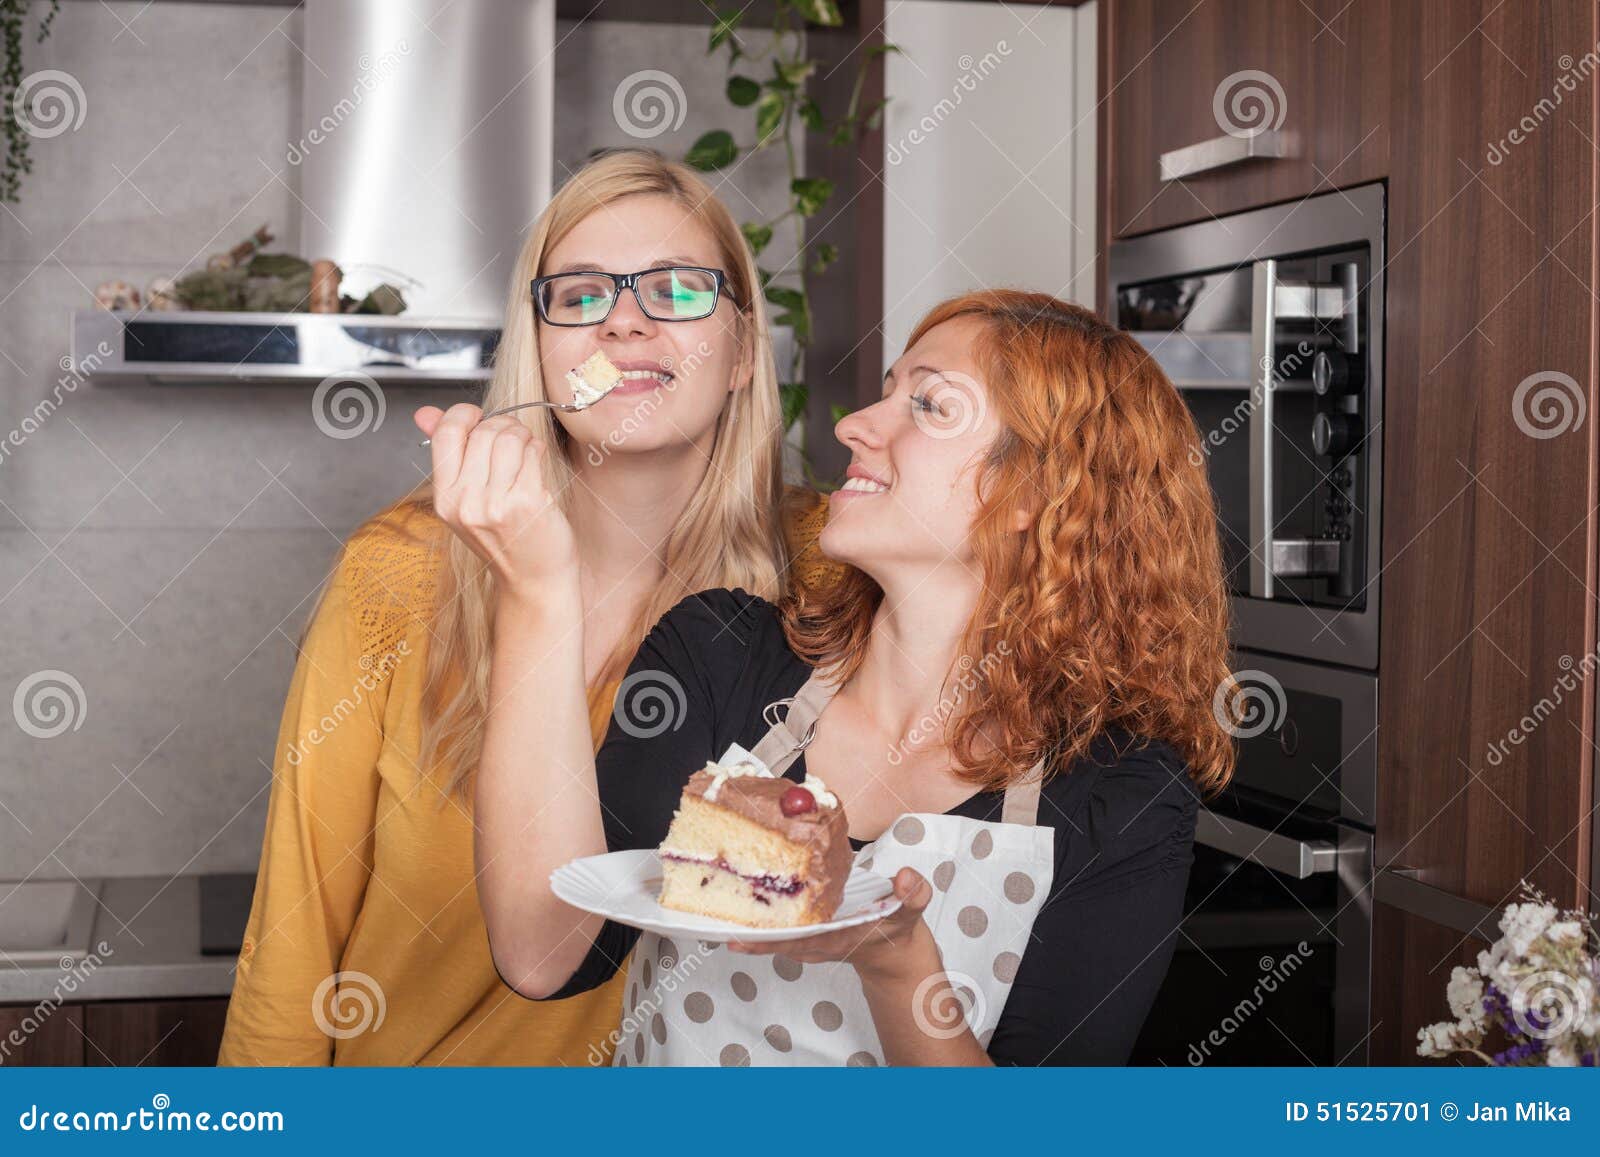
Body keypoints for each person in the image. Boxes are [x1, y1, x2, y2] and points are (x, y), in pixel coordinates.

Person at [471, 289, 1238, 1065]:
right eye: (887, 391)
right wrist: (536, 589)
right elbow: (544, 953)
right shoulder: (718, 656)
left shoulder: (1117, 795)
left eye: (930, 404)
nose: (854, 424)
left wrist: (893, 957)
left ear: (1035, 494)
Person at [218, 149, 838, 1065]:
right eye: (581, 297)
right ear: (539, 347)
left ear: (745, 350)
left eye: (675, 289)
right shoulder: (399, 571)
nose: (624, 321)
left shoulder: (829, 576)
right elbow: (296, 927)